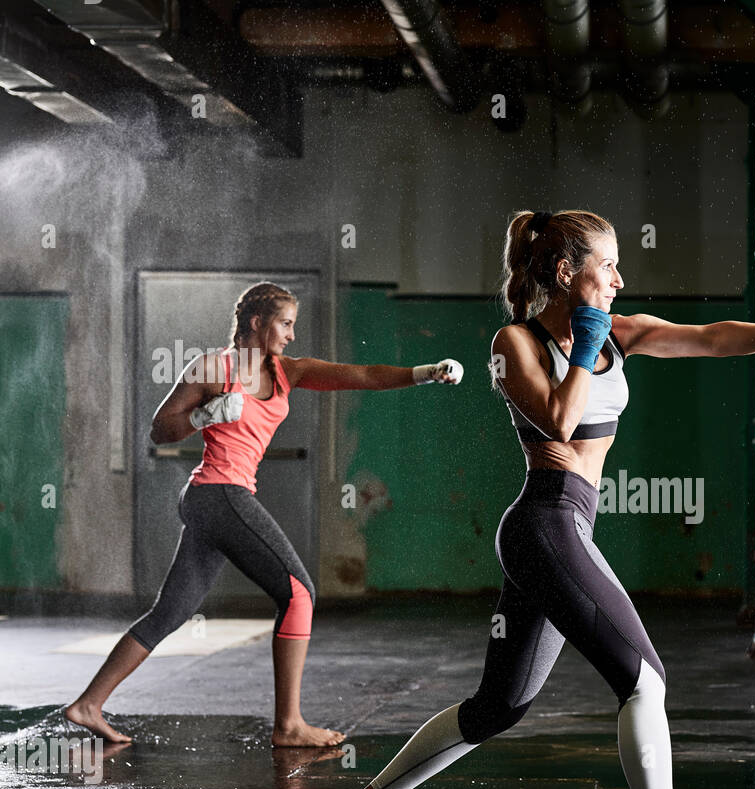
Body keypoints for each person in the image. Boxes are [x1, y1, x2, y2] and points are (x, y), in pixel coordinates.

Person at [337, 209, 755, 789]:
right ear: (568, 272)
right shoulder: (514, 342)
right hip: (545, 522)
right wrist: (586, 333)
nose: (621, 279)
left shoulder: (618, 334)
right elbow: (562, 421)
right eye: (609, 265)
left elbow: (709, 337)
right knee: (644, 678)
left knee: (499, 705)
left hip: (563, 527)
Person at [62, 281, 461, 748]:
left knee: (170, 612)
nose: (292, 334)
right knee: (298, 593)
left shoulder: (288, 371)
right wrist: (203, 416)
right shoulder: (212, 368)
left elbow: (363, 374)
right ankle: (289, 724)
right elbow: (158, 430)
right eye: (286, 323)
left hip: (217, 500)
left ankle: (87, 704)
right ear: (257, 322)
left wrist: (426, 372)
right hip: (217, 493)